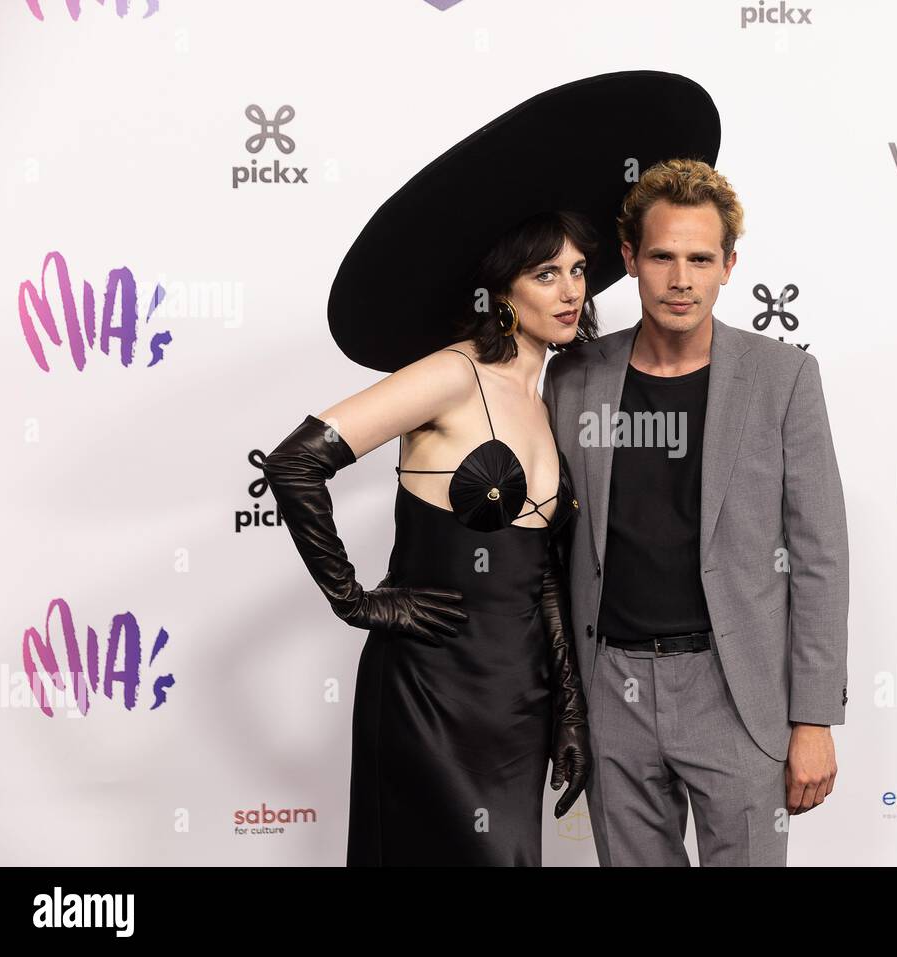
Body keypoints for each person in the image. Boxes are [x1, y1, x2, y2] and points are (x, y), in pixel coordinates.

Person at [261, 73, 723, 866]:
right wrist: (359, 601)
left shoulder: (549, 397)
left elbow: (543, 572)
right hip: (432, 690)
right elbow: (296, 461)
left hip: (519, 701)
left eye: (579, 270)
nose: (571, 290)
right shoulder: (451, 372)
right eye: (547, 274)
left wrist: (570, 711)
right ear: (504, 290)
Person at [542, 158, 850, 866]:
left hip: (736, 692)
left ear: (728, 266)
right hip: (610, 691)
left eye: (700, 258)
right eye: (662, 256)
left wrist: (813, 719)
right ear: (630, 260)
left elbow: (819, 554)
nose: (681, 277)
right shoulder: (575, 377)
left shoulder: (783, 378)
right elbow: (553, 544)